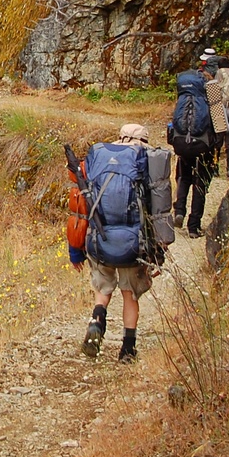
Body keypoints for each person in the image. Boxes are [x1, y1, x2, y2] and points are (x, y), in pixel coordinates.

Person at [70, 124, 155, 363]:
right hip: (132, 244)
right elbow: (155, 210)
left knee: (102, 290)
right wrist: (158, 252)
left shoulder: (99, 158)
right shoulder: (143, 161)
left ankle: (97, 320)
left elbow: (79, 206)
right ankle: (128, 350)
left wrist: (75, 250)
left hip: (99, 241)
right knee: (130, 295)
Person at [170, 59, 218, 238]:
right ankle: (193, 226)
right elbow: (220, 122)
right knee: (200, 183)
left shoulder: (184, 87)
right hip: (203, 144)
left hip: (182, 141)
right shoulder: (211, 87)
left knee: (183, 175)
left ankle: (179, 210)